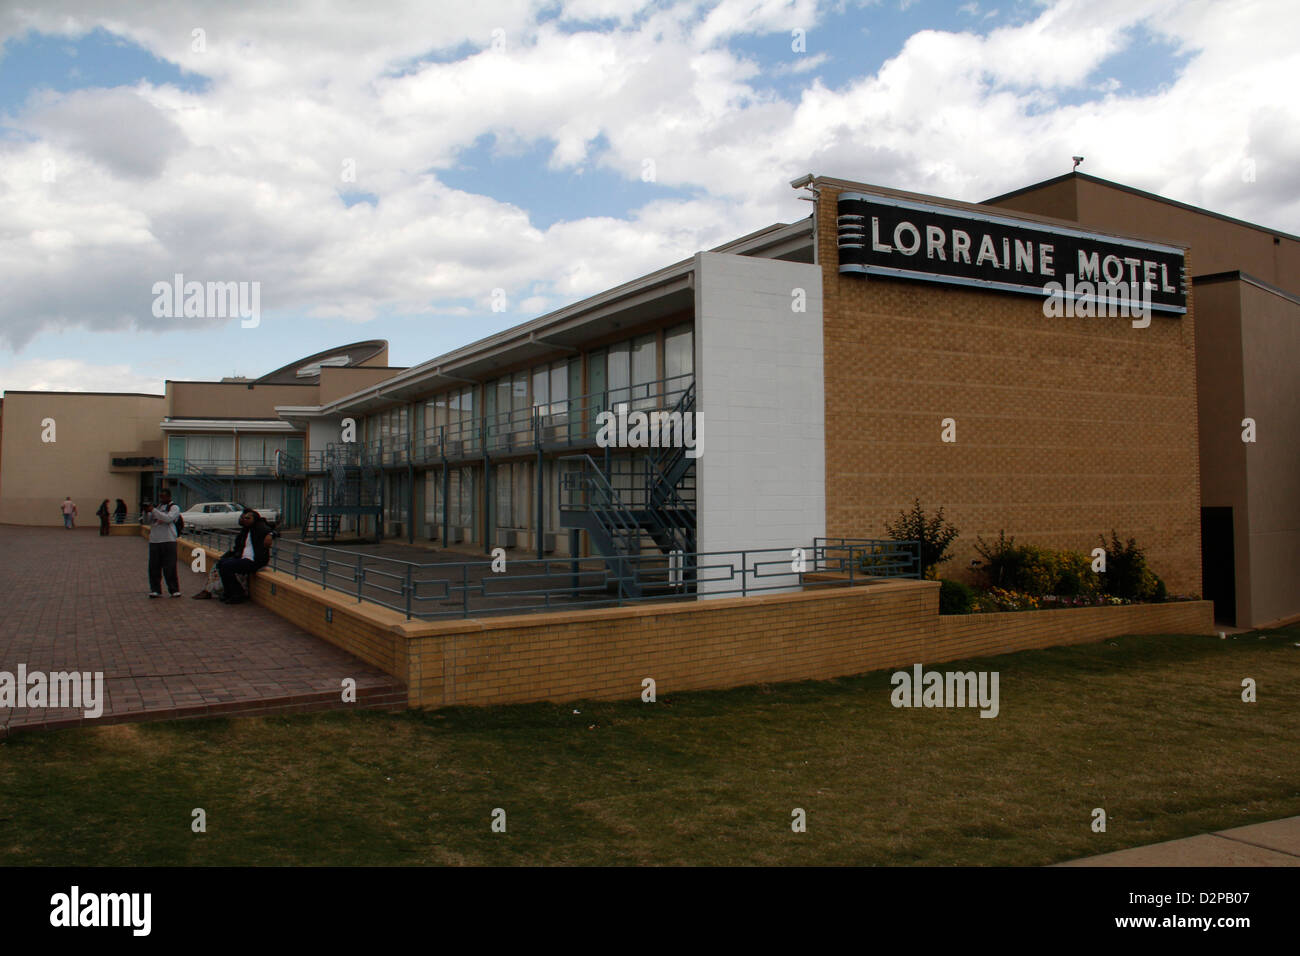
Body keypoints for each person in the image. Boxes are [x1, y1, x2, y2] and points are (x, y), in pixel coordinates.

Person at [216, 507, 274, 604]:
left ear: (254, 519)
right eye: (244, 518)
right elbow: (240, 524)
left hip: (254, 561)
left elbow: (270, 528)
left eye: (248, 518)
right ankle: (229, 592)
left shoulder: (259, 527)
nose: (245, 520)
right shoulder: (246, 530)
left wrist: (271, 534)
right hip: (243, 558)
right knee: (221, 563)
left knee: (226, 566)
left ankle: (237, 593)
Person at [143, 488, 183, 598]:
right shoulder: (156, 507)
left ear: (169, 496)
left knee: (170, 566)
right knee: (154, 567)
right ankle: (155, 589)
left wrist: (154, 511)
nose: (162, 498)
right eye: (160, 496)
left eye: (164, 496)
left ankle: (174, 589)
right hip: (155, 540)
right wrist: (146, 511)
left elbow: (168, 518)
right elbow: (147, 521)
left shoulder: (174, 507)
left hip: (169, 540)